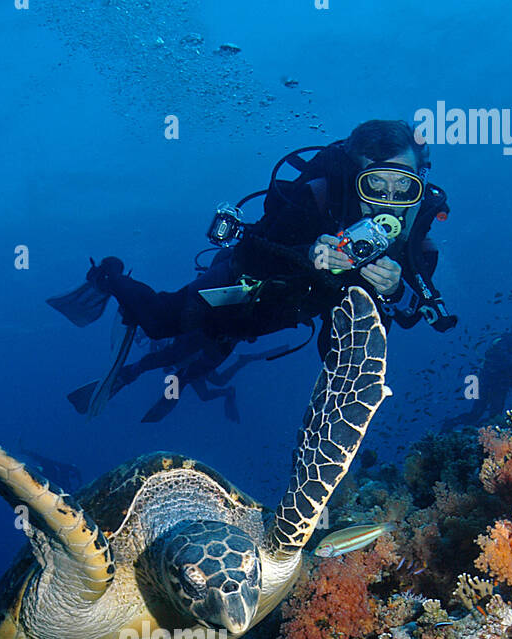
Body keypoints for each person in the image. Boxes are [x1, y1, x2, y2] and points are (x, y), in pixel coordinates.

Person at [49, 118, 456, 420]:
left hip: (285, 314)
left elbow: (397, 319)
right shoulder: (317, 200)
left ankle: (152, 368)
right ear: (353, 180)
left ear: (421, 181)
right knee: (161, 322)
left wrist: (396, 289)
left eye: (404, 186)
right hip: (244, 285)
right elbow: (251, 256)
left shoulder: (419, 245)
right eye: (373, 184)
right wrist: (308, 251)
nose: (388, 200)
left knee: (229, 343)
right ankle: (110, 276)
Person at [442, 326, 512, 430]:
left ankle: (483, 432)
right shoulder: (501, 342)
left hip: (502, 386)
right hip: (487, 383)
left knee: (495, 414)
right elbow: (493, 355)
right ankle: (452, 424)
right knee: (476, 413)